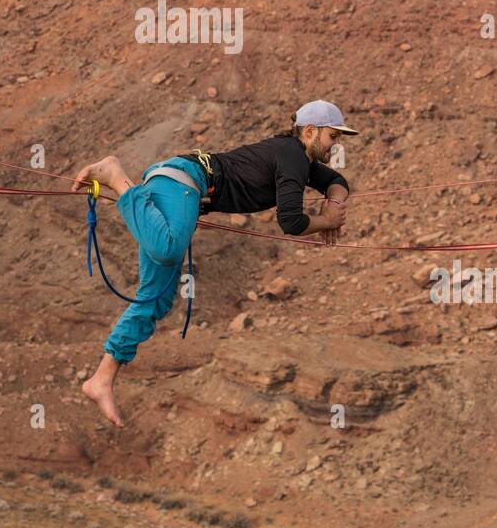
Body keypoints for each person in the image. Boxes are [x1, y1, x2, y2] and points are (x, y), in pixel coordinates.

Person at [72, 100, 358, 427]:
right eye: (334, 136)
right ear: (310, 131)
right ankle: (118, 179)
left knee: (156, 299)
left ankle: (102, 379)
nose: (337, 144)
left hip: (178, 186)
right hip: (181, 181)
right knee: (167, 247)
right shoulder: (293, 155)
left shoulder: (300, 160)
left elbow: (337, 180)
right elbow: (291, 221)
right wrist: (326, 221)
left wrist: (333, 204)